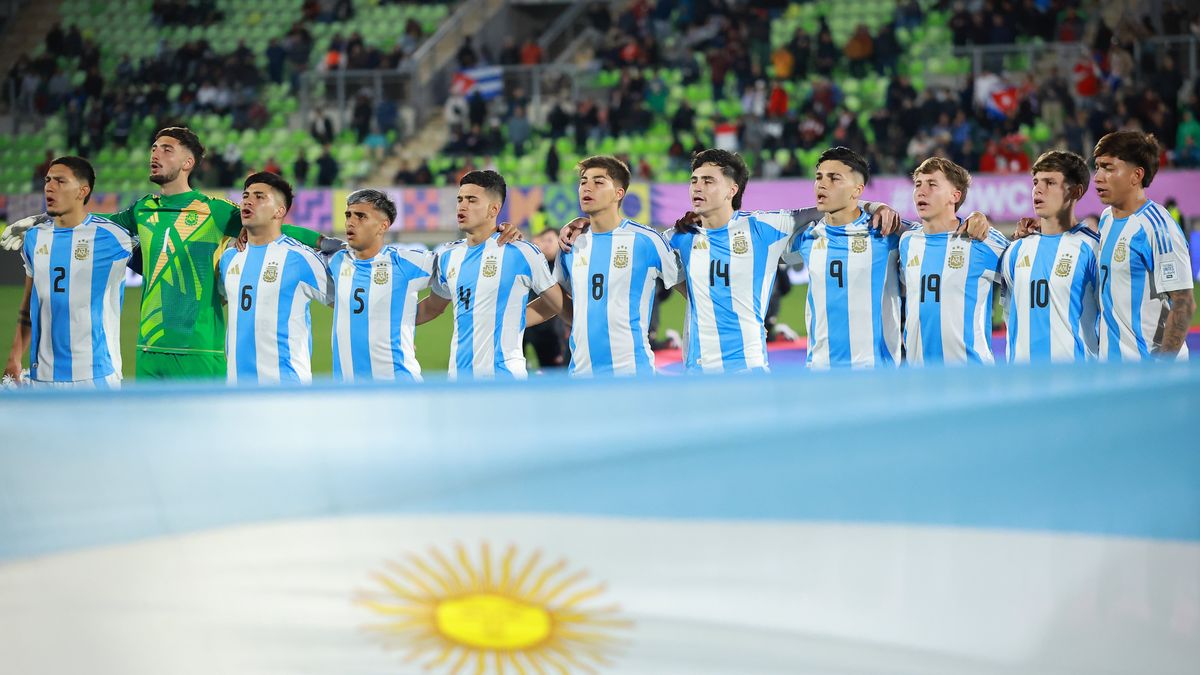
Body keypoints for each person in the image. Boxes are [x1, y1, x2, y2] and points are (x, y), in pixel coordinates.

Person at [1, 126, 329, 380]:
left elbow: (273, 228)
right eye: (154, 148)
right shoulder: (142, 209)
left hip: (201, 348)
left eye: (166, 149)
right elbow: (93, 226)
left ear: (188, 163)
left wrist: (325, 242)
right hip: (148, 349)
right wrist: (46, 219)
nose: (155, 154)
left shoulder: (214, 210)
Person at [1019, 131, 1195, 358]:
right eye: (1098, 167)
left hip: (1147, 372)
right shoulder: (1107, 219)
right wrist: (1043, 226)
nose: (1099, 176)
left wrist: (1160, 371)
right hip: (1114, 369)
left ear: (1136, 175)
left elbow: (1184, 302)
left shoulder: (1157, 227)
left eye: (1109, 168)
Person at [416, 171, 563, 379]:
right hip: (458, 380)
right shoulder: (448, 256)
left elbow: (557, 303)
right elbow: (432, 307)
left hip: (506, 381)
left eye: (471, 200)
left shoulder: (521, 252)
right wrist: (387, 321)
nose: (462, 206)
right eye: (460, 199)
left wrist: (517, 318)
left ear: (494, 209)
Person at [4, 157, 134, 388]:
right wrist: (14, 357)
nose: (49, 186)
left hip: (95, 376)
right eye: (48, 180)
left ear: (82, 191)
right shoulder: (33, 238)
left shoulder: (114, 238)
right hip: (41, 376)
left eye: (60, 181)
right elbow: (29, 306)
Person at [554, 156, 683, 376]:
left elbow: (691, 290)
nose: (587, 187)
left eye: (598, 182)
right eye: (583, 181)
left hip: (632, 373)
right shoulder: (571, 243)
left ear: (618, 193)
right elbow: (559, 301)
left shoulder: (646, 240)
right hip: (580, 375)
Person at [781, 147, 901, 368]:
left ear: (857, 190)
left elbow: (938, 233)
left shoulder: (887, 235)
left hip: (876, 371)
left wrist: (974, 219)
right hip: (820, 370)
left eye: (834, 178)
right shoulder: (806, 237)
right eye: (819, 177)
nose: (822, 184)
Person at [218, 173, 332, 385]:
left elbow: (348, 301)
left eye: (260, 196)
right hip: (236, 391)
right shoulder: (229, 258)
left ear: (279, 211)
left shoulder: (300, 258)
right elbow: (217, 302)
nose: (248, 201)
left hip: (286, 389)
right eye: (245, 196)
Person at [898, 158, 1010, 365]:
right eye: (918, 184)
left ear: (955, 195)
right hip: (918, 376)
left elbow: (1024, 280)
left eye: (932, 184)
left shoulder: (982, 239)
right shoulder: (907, 242)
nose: (921, 192)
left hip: (971, 374)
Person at [1000, 151, 1099, 363]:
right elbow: (1009, 314)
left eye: (1050, 182)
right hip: (1022, 384)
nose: (1038, 189)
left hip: (1076, 382)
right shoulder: (1015, 250)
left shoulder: (1092, 248)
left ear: (1075, 191)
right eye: (1036, 182)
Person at [327, 189, 433, 382]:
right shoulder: (336, 260)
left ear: (382, 226)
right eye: (348, 215)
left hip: (398, 389)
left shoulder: (407, 263)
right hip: (347, 394)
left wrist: (502, 235)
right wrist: (320, 240)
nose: (351, 222)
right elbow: (286, 232)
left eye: (361, 216)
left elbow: (455, 267)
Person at [524, 227, 570, 370]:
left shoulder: (564, 269)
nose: (546, 244)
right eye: (543, 241)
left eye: (550, 240)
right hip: (530, 329)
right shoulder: (535, 266)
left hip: (553, 333)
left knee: (555, 375)